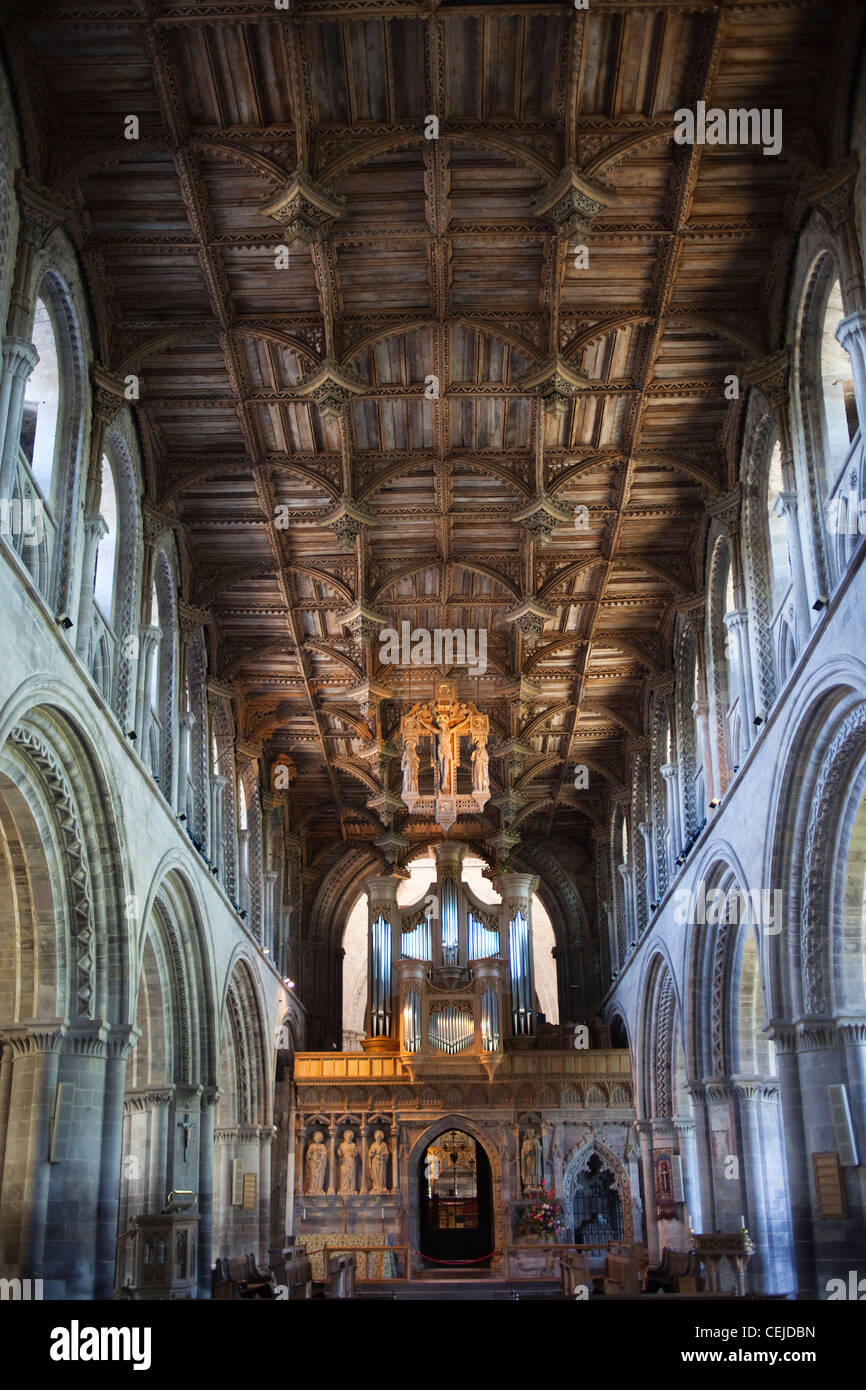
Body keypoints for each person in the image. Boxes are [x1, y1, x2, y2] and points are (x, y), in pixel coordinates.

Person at [338, 1129, 359, 1194]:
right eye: (347, 1137)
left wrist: (353, 1152)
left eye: (350, 1137)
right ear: (345, 1137)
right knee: (344, 1173)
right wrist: (340, 1152)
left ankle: (351, 1187)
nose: (348, 1138)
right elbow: (339, 1153)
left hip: (351, 1160)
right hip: (344, 1161)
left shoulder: (353, 1145)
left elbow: (355, 1153)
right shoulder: (342, 1144)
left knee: (351, 1174)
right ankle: (344, 1187)